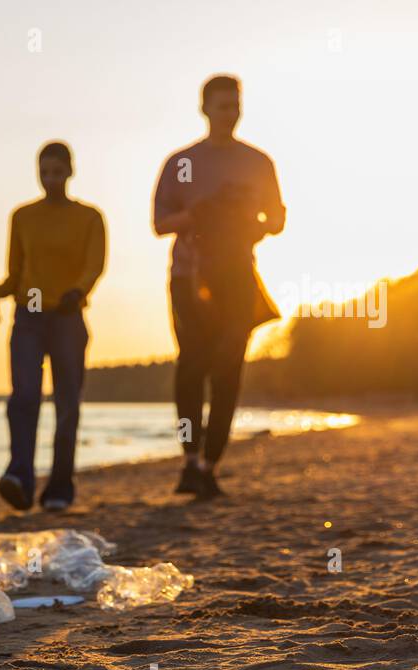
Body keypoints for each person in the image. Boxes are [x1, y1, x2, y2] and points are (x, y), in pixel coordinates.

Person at [153, 74, 286, 498]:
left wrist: (251, 224)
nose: (230, 113)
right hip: (188, 276)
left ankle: (210, 465)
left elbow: (277, 219)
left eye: (235, 105)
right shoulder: (182, 162)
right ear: (204, 108)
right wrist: (199, 214)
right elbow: (159, 223)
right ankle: (189, 459)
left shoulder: (258, 162)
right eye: (221, 105)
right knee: (192, 365)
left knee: (229, 369)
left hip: (238, 276)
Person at [0, 141, 106, 512]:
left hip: (68, 317)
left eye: (57, 172)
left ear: (70, 172)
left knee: (67, 403)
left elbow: (94, 265)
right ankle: (20, 477)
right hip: (28, 316)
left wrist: (78, 291)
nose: (50, 179)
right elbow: (16, 273)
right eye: (44, 172)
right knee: (23, 396)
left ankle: (59, 487)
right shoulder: (22, 216)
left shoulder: (89, 218)